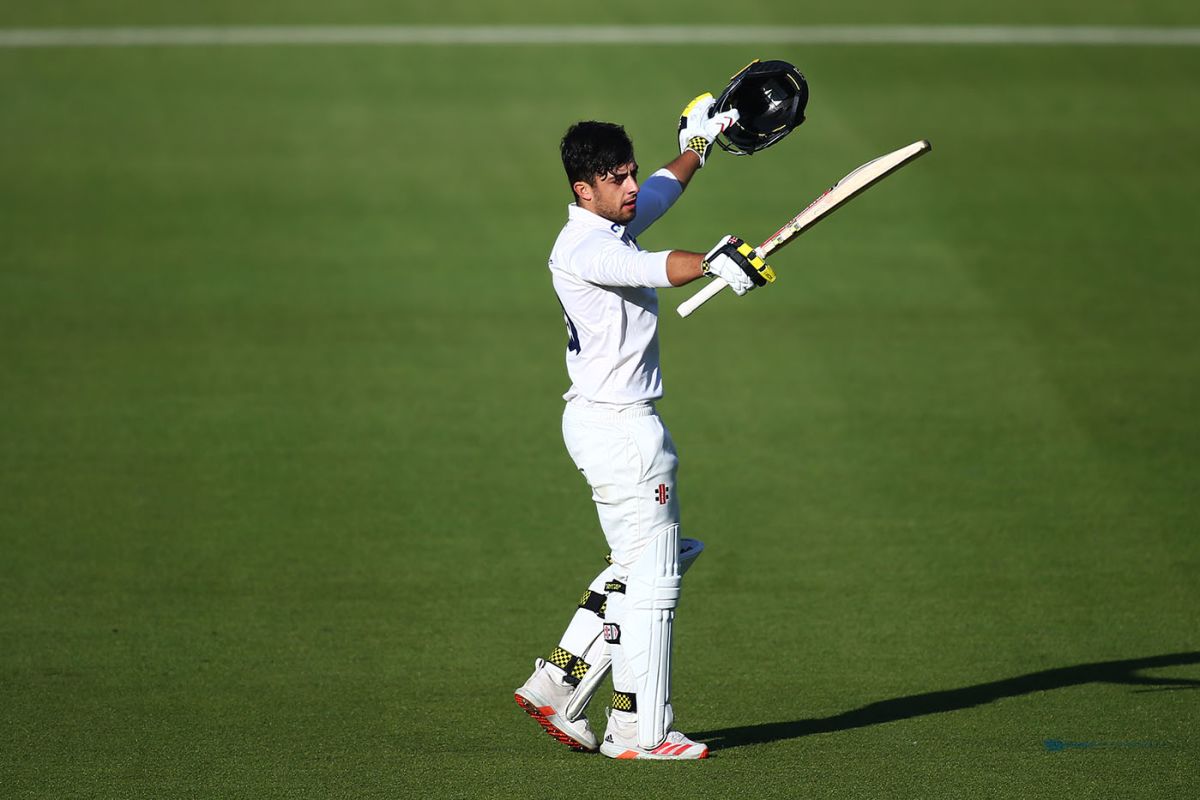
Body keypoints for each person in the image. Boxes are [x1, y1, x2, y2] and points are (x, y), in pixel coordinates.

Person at [513, 94, 773, 761]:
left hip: (607, 423)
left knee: (649, 561)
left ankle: (558, 683)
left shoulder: (610, 221)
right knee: (652, 578)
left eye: (630, 172)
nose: (631, 186)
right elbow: (649, 267)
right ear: (584, 189)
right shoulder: (586, 248)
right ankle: (639, 731)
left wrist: (698, 149)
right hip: (621, 431)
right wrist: (713, 260)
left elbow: (660, 191)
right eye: (616, 179)